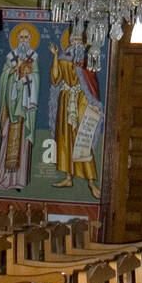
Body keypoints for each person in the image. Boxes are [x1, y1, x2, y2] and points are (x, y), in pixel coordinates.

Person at [48, 34, 101, 198]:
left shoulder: (86, 62)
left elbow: (92, 84)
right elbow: (56, 79)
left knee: (82, 140)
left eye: (79, 41)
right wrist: (56, 56)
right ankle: (68, 177)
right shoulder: (63, 59)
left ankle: (91, 182)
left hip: (81, 101)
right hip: (65, 102)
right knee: (64, 139)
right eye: (73, 41)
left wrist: (94, 104)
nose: (76, 44)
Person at [0, 27, 39, 191]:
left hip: (24, 108)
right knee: (6, 140)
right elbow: (4, 78)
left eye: (27, 38)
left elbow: (37, 78)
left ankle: (19, 181)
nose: (24, 40)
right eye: (21, 37)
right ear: (17, 39)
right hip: (11, 107)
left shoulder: (33, 57)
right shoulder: (10, 57)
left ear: (30, 39)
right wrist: (13, 70)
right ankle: (2, 179)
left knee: (23, 144)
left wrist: (27, 79)